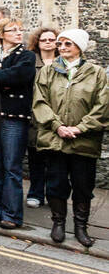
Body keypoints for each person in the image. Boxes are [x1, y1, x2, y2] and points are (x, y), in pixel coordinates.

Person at [32, 28, 109, 248]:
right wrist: (57, 126)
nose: (62, 48)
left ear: (80, 47)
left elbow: (102, 106)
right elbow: (40, 101)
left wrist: (80, 128)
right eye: (60, 44)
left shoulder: (96, 73)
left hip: (84, 140)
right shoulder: (47, 72)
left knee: (83, 185)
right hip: (55, 139)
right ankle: (58, 223)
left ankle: (80, 227)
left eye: (68, 44)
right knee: (56, 184)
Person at [0, 18, 36, 228]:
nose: (18, 33)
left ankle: (11, 215)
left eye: (20, 30)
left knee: (12, 167)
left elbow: (19, 76)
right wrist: (0, 77)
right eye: (13, 30)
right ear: (2, 34)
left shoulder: (27, 56)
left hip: (14, 118)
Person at [25, 28, 58, 207]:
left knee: (55, 160)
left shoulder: (62, 62)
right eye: (43, 39)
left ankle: (53, 195)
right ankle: (36, 193)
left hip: (57, 117)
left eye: (51, 39)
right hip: (34, 117)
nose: (47, 42)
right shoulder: (30, 61)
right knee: (36, 157)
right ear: (37, 42)